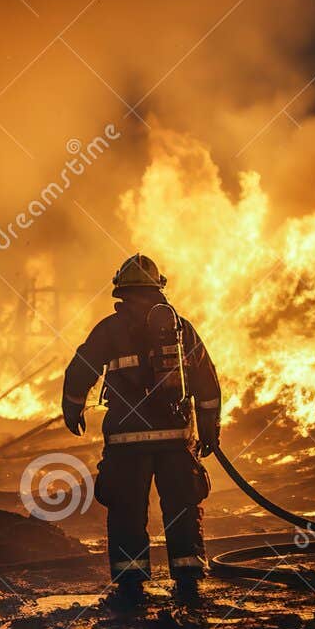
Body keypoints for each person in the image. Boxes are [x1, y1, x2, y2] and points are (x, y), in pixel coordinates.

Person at [61, 254, 221, 605]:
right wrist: (210, 430)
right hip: (176, 438)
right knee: (182, 506)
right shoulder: (181, 329)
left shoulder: (109, 329)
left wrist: (72, 408)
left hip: (125, 440)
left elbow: (80, 369)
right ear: (157, 287)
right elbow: (207, 382)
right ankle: (188, 580)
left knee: (126, 510)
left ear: (121, 289)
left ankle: (131, 584)